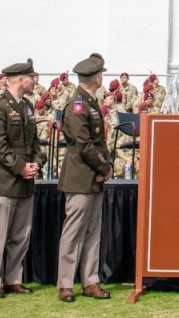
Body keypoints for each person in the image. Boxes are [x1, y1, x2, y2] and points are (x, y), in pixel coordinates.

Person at [0, 59, 46, 299]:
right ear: (20, 79)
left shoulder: (28, 106)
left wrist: (37, 164)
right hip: (4, 182)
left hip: (25, 181)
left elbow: (36, 142)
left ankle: (13, 279)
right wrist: (21, 167)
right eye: (31, 77)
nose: (34, 81)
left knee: (21, 235)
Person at [57, 55, 113, 302]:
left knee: (92, 232)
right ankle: (66, 284)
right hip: (81, 176)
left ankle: (90, 281)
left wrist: (106, 165)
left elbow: (99, 141)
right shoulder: (77, 105)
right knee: (74, 232)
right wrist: (104, 167)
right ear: (96, 77)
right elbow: (84, 144)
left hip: (93, 176)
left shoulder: (89, 102)